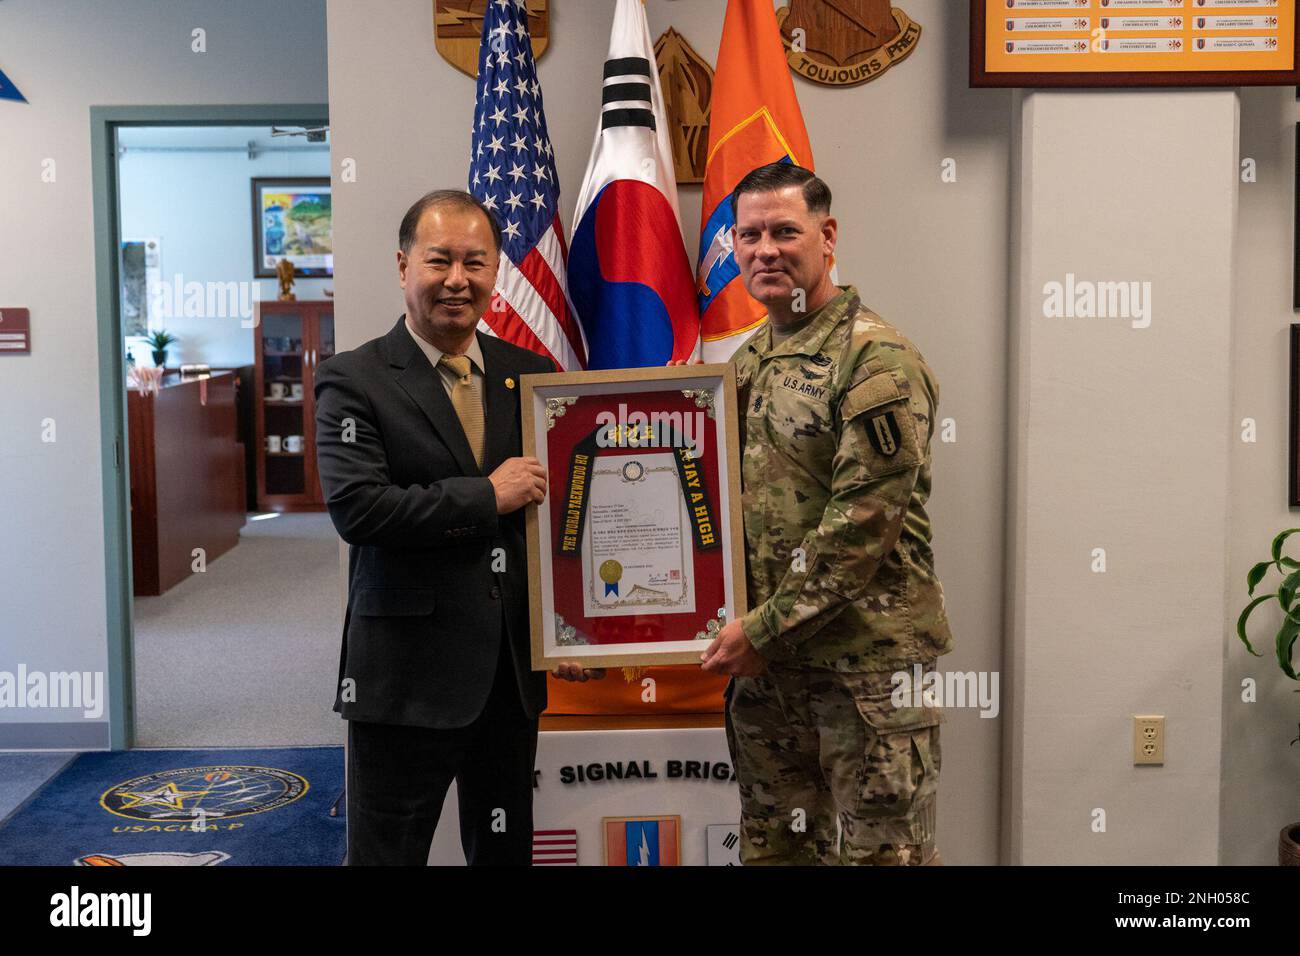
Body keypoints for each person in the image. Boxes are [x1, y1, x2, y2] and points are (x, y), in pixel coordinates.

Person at [314, 189, 601, 866]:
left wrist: (575, 624)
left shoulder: (529, 376)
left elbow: (559, 517)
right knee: (388, 856)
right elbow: (360, 509)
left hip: (509, 677)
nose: (457, 279)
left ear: (496, 271)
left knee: (504, 855)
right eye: (439, 259)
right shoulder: (353, 379)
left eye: (475, 262)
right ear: (402, 265)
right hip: (404, 681)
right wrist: (485, 496)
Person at [699, 163, 954, 866]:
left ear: (827, 235)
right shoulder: (750, 362)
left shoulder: (876, 359)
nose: (766, 250)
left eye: (785, 231)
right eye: (749, 235)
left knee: (882, 859)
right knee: (775, 852)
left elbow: (861, 523)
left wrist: (765, 628)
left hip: (864, 674)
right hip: (769, 676)